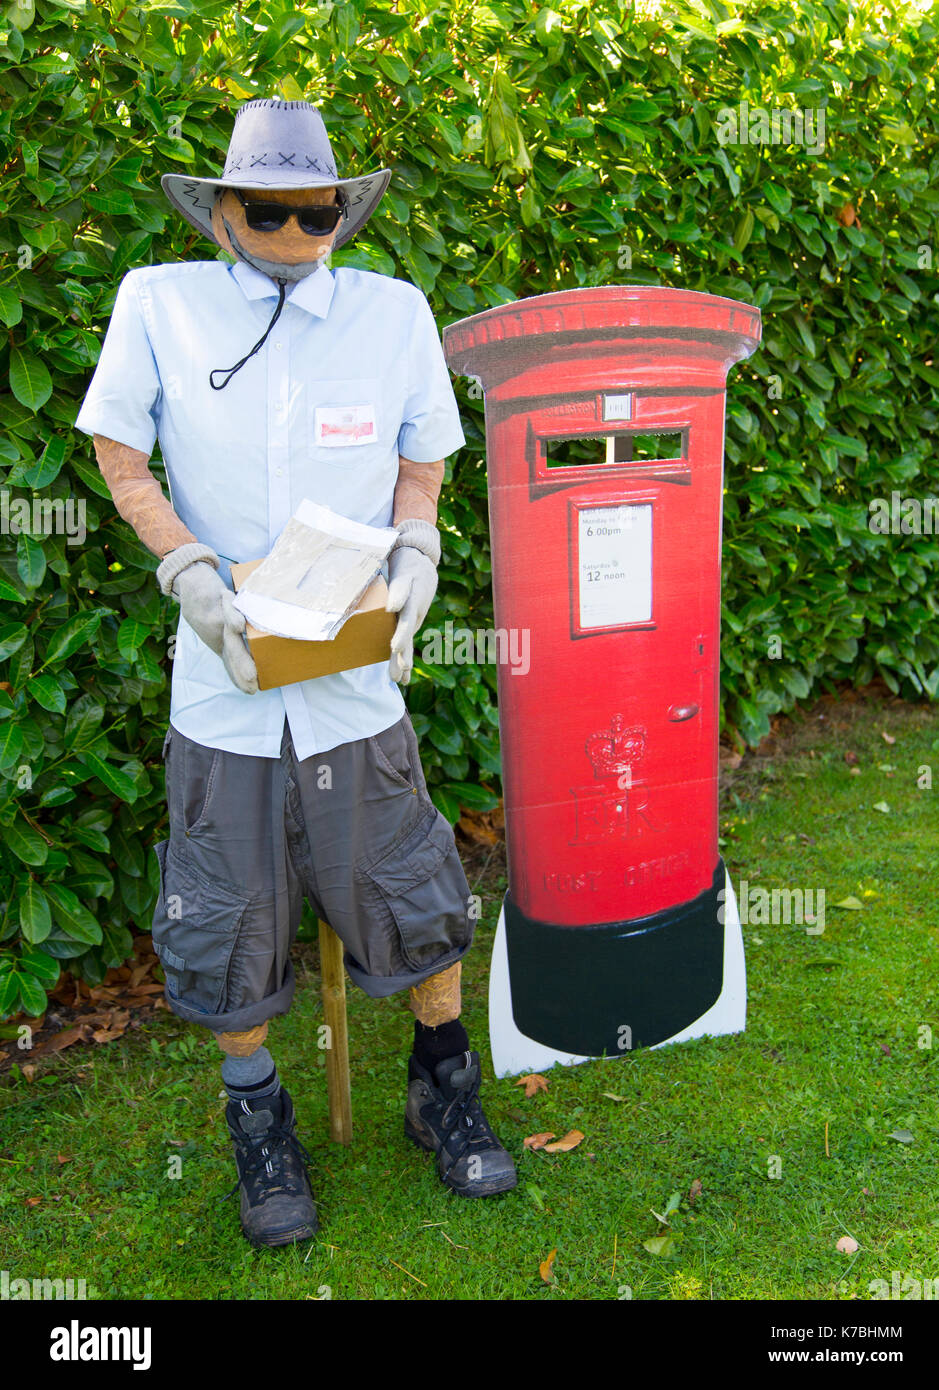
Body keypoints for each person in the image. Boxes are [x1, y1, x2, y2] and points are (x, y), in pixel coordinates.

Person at [75, 97, 517, 1249]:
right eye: (266, 213)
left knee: (414, 891)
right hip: (223, 680)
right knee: (226, 913)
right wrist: (185, 570)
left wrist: (417, 547)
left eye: (315, 214)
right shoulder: (156, 304)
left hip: (354, 673)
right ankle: (257, 1119)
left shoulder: (393, 312)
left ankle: (443, 1082)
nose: (292, 233)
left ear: (341, 210)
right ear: (221, 212)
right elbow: (120, 451)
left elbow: (422, 462)